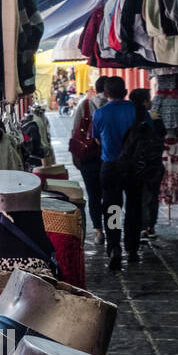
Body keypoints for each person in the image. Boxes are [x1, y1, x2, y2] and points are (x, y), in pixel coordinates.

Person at [93, 77, 141, 271]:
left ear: (106, 94)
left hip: (111, 166)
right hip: (134, 166)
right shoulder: (136, 110)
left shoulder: (101, 113)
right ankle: (133, 248)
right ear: (126, 91)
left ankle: (114, 247)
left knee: (112, 208)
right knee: (133, 206)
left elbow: (96, 139)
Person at [73, 76, 108, 242]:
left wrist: (76, 156)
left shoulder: (84, 104)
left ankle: (98, 231)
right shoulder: (115, 107)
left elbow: (75, 132)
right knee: (112, 196)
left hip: (88, 158)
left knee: (93, 195)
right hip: (111, 158)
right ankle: (114, 229)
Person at [131, 88, 166, 241]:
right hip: (153, 163)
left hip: (134, 164)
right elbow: (162, 135)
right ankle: (149, 226)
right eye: (148, 99)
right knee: (151, 195)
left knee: (136, 196)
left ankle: (138, 226)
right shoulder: (154, 118)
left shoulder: (130, 117)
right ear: (144, 101)